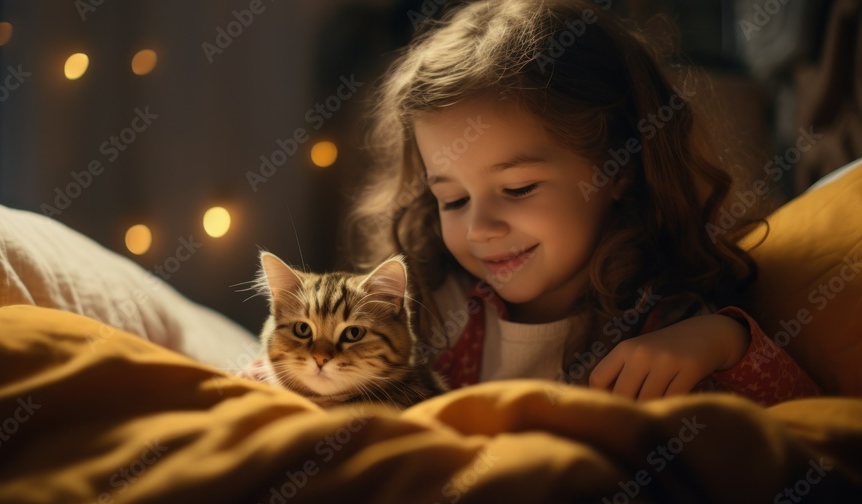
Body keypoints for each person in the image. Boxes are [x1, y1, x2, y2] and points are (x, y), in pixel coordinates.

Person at [347, 0, 821, 406]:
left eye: (518, 189)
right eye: (451, 200)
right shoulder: (430, 309)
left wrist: (725, 343)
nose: (479, 228)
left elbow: (810, 446)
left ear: (619, 167)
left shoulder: (668, 322)